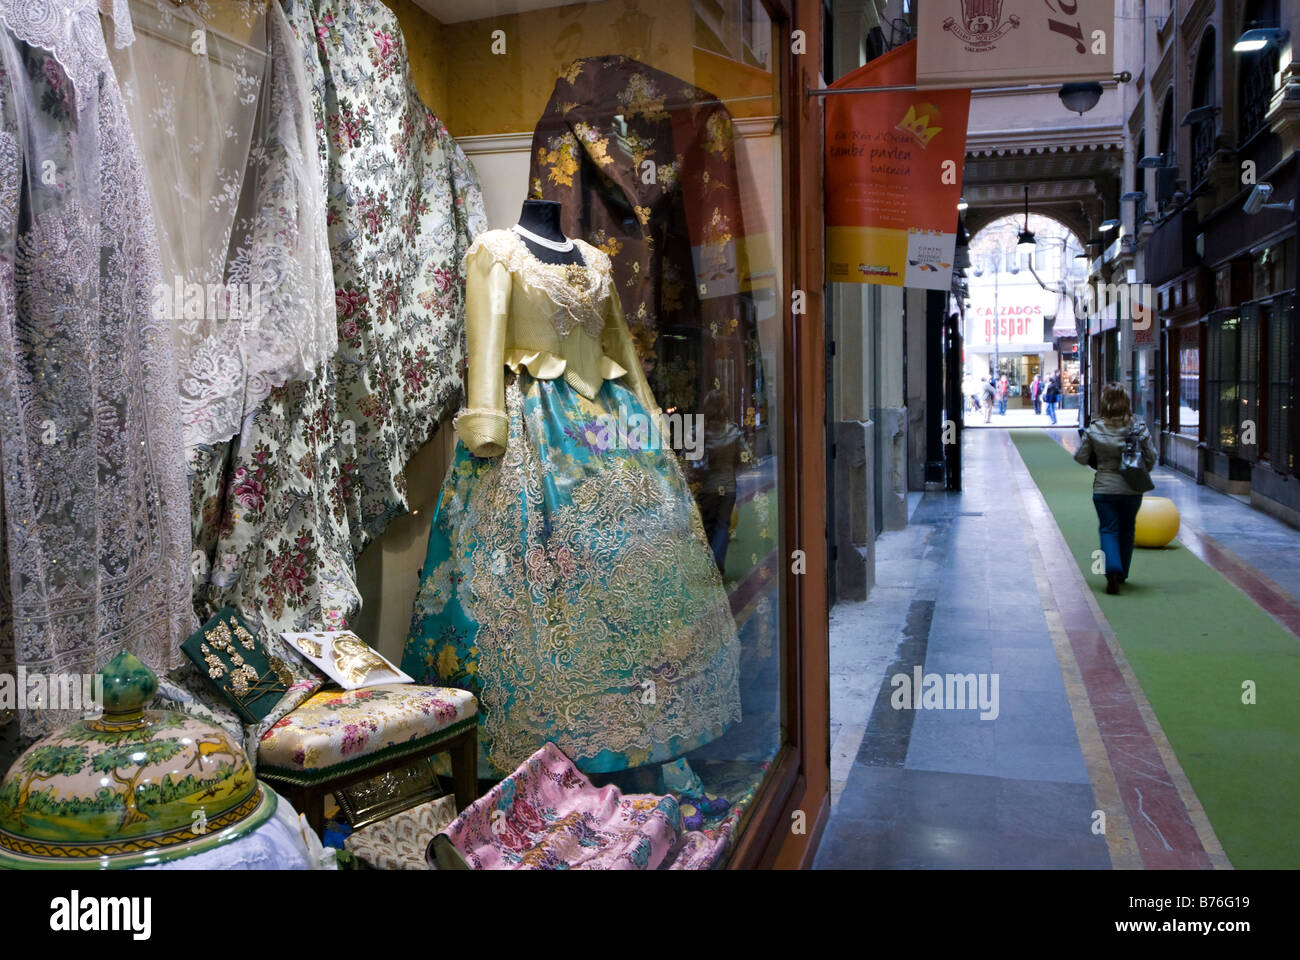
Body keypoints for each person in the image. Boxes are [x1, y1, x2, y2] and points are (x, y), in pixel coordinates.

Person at [1073, 382, 1158, 595]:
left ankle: (1111, 568)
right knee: (1127, 530)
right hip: (1131, 489)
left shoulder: (1095, 427)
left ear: (1104, 402)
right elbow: (1152, 456)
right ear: (1127, 402)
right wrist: (1139, 468)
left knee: (1108, 529)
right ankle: (1123, 573)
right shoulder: (1138, 427)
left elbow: (1081, 457)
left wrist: (1098, 459)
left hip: (1104, 488)